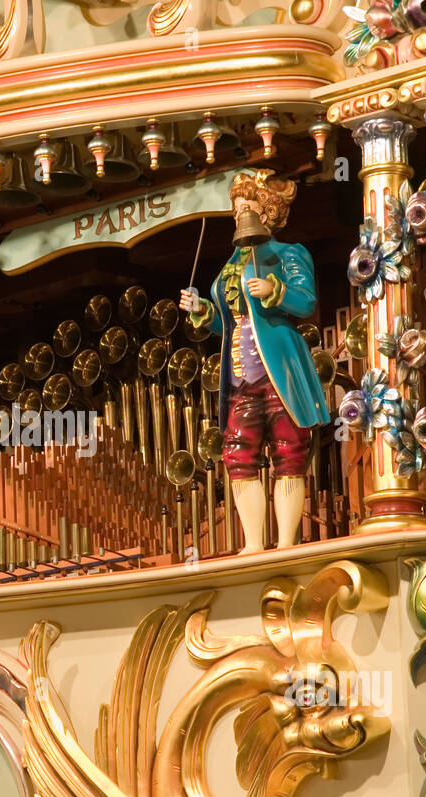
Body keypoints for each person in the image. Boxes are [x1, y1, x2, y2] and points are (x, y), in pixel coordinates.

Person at [179, 169, 328, 551]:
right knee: (237, 452)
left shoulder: (288, 253)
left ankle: (286, 542)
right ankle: (253, 544)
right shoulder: (229, 267)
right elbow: (226, 323)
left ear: (266, 211)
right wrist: (204, 311)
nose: (239, 217)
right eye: (235, 211)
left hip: (279, 370)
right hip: (240, 376)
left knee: (289, 449)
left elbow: (306, 301)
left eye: (246, 208)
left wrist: (276, 290)